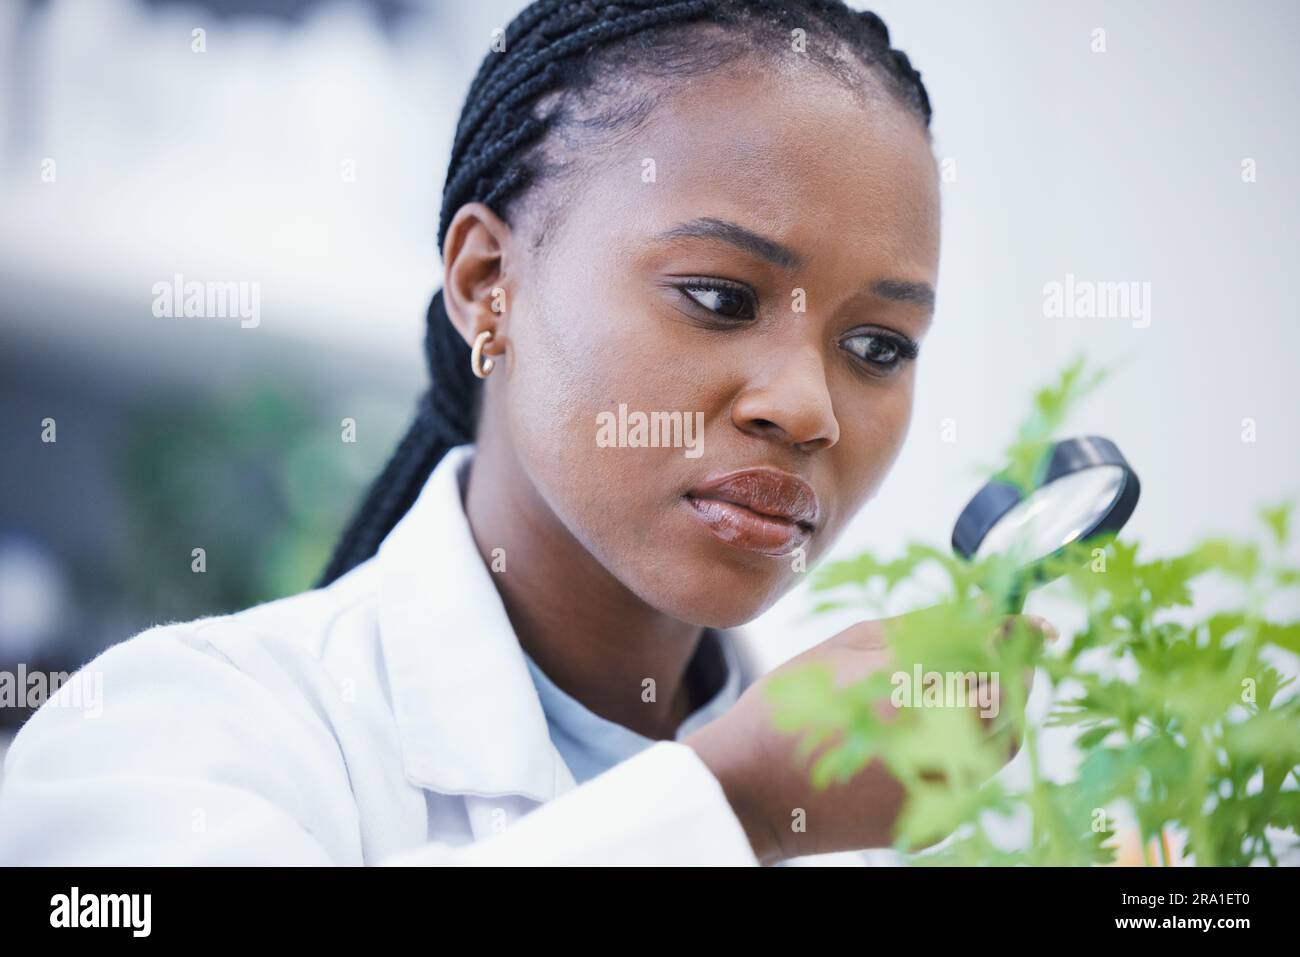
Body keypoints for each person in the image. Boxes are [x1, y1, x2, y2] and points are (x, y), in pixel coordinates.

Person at [0, 0, 1050, 866]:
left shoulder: (875, 837)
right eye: (721, 297)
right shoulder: (177, 736)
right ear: (487, 284)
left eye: (876, 347)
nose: (808, 407)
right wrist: (734, 806)